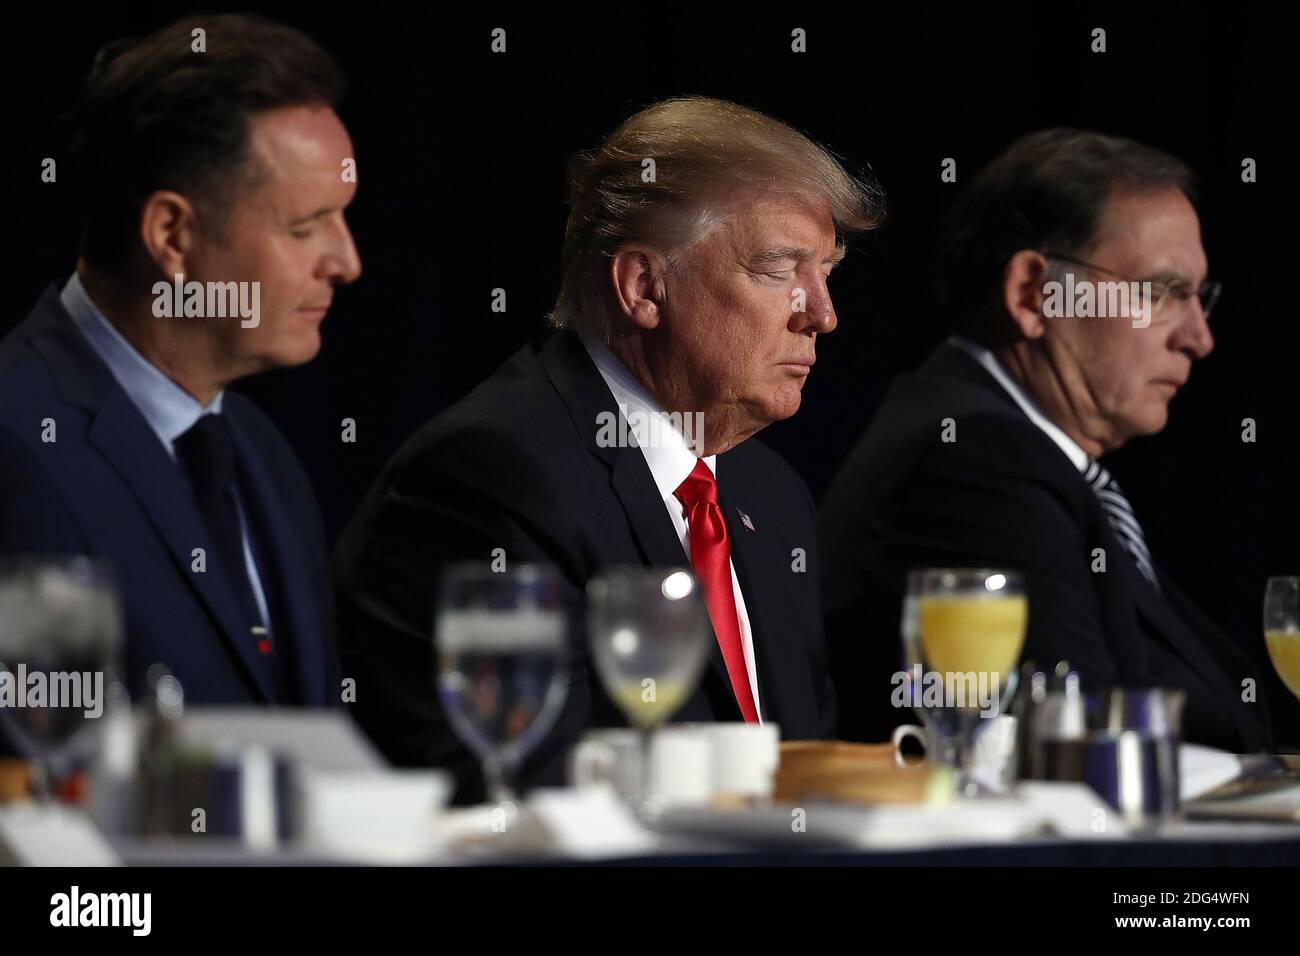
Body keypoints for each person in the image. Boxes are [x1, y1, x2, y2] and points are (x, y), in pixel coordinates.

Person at [336, 96, 882, 802]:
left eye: (827, 272)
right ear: (644, 287)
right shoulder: (493, 475)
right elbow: (513, 793)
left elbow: (807, 775)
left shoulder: (770, 495)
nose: (823, 315)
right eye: (780, 270)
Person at [820, 129, 1272, 753]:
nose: (1199, 338)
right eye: (1161, 293)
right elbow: (1086, 748)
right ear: (1034, 296)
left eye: (1201, 298)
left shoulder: (1015, 449)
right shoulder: (975, 462)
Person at [0, 15, 362, 706]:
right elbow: (36, 753)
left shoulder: (260, 451)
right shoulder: (16, 450)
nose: (347, 262)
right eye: (305, 227)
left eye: (343, 219)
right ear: (172, 234)